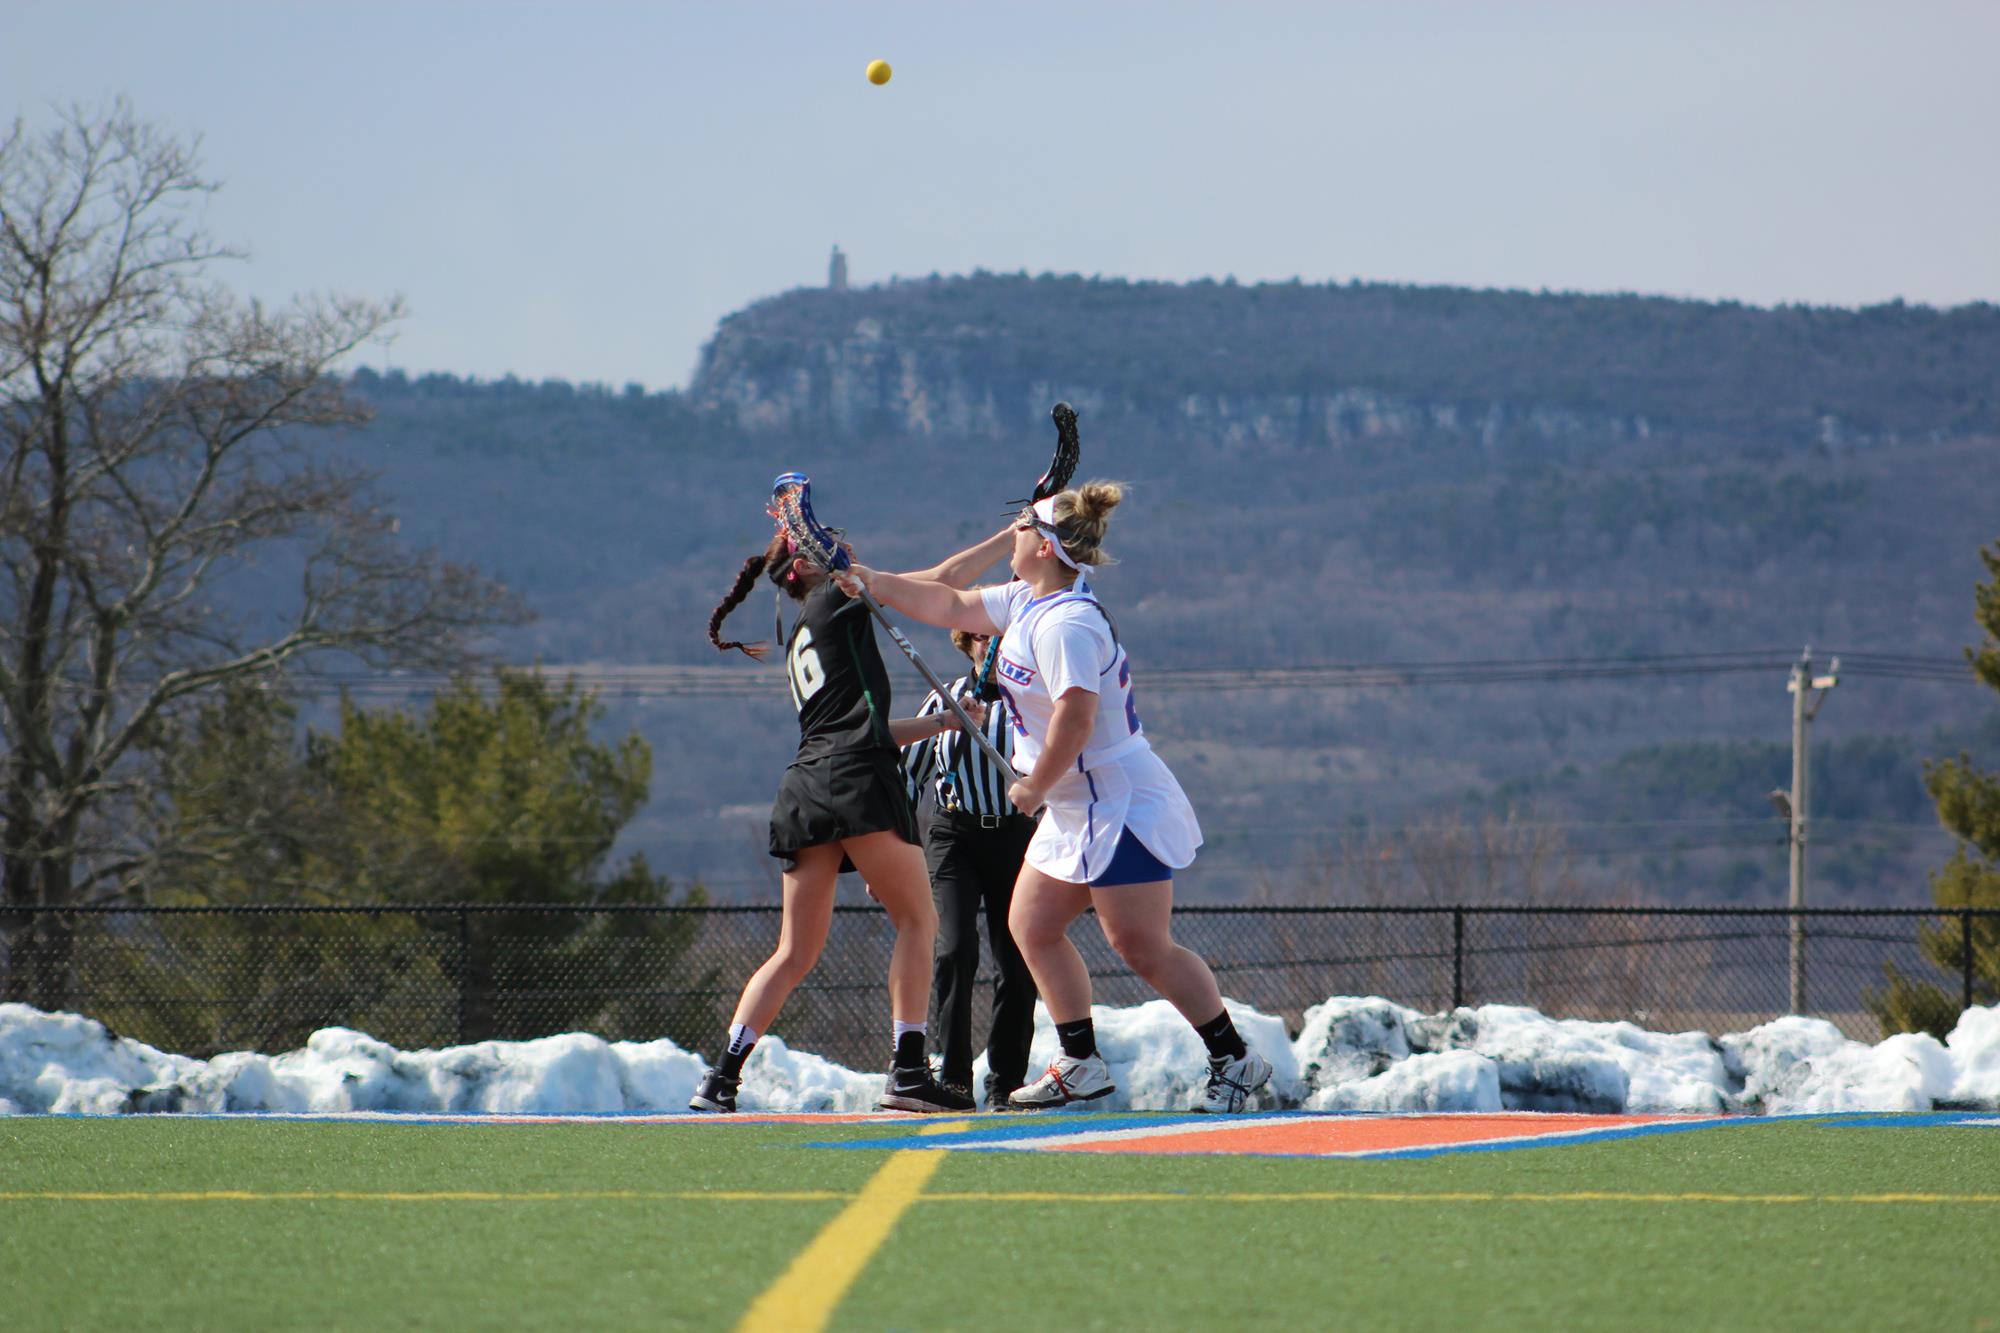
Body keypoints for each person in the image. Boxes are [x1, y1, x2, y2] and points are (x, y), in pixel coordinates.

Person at [840, 483, 1273, 1113]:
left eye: (1018, 527)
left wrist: (1035, 785)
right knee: (1031, 926)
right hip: (1077, 803)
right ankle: (1080, 1061)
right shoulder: (1026, 601)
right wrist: (871, 579)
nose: (1009, 536)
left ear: (1043, 546)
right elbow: (948, 599)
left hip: (1118, 800)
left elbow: (1075, 717)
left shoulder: (1068, 622)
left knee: (1140, 944)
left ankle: (1235, 1059)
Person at [689, 519, 1012, 1114]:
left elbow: (862, 730)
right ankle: (909, 1071)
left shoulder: (805, 633)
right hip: (857, 782)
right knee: (920, 922)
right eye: (828, 536)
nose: (844, 540)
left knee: (794, 952)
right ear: (805, 563)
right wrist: (1010, 538)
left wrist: (940, 723)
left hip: (807, 785)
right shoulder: (839, 593)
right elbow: (944, 582)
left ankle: (720, 1079)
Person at [901, 621, 1039, 1110]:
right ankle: (954, 1077)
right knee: (954, 948)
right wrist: (895, 848)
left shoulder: (1032, 701)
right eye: (982, 635)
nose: (991, 643)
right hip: (953, 832)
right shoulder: (947, 696)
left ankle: (1006, 1081)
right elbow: (908, 772)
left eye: (999, 635)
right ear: (966, 642)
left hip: (1015, 835)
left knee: (1019, 956)